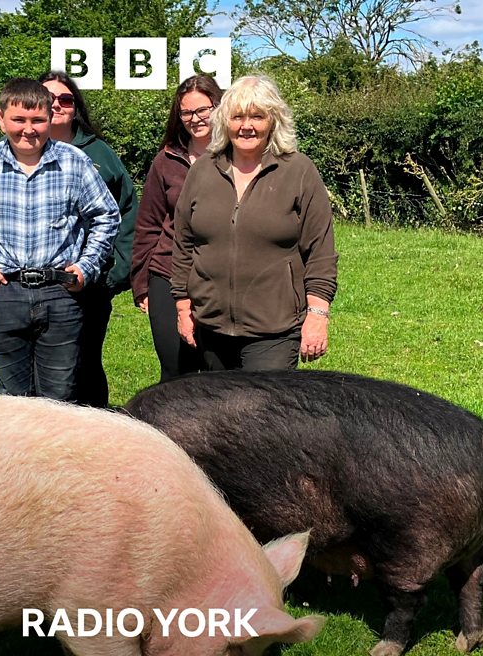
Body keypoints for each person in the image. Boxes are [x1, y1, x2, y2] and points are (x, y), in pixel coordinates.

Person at [0, 78, 120, 400]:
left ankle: (55, 452)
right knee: (12, 398)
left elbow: (106, 215)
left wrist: (86, 266)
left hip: (61, 295)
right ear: (1, 118)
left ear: (49, 119)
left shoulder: (74, 162)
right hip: (4, 291)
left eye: (38, 120)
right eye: (18, 120)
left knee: (62, 397)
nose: (29, 129)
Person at [170, 75, 337, 371]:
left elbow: (321, 252)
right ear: (225, 121)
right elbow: (183, 244)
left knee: (261, 415)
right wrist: (183, 306)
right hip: (210, 326)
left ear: (273, 120)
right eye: (237, 116)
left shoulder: (298, 170)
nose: (246, 126)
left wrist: (317, 315)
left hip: (275, 329)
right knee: (219, 414)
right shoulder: (204, 170)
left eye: (257, 116)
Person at [38, 70, 138, 407]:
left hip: (88, 284)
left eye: (65, 100)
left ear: (75, 106)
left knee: (84, 364)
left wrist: (114, 274)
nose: (56, 106)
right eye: (48, 99)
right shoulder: (20, 151)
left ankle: (94, 437)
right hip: (30, 285)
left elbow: (127, 212)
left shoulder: (100, 154)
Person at [130, 74, 222, 381]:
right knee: (175, 370)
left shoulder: (237, 157)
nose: (195, 119)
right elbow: (148, 225)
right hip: (167, 275)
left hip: (220, 277)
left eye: (202, 110)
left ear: (218, 106)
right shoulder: (166, 160)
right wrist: (142, 283)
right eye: (186, 112)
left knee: (217, 371)